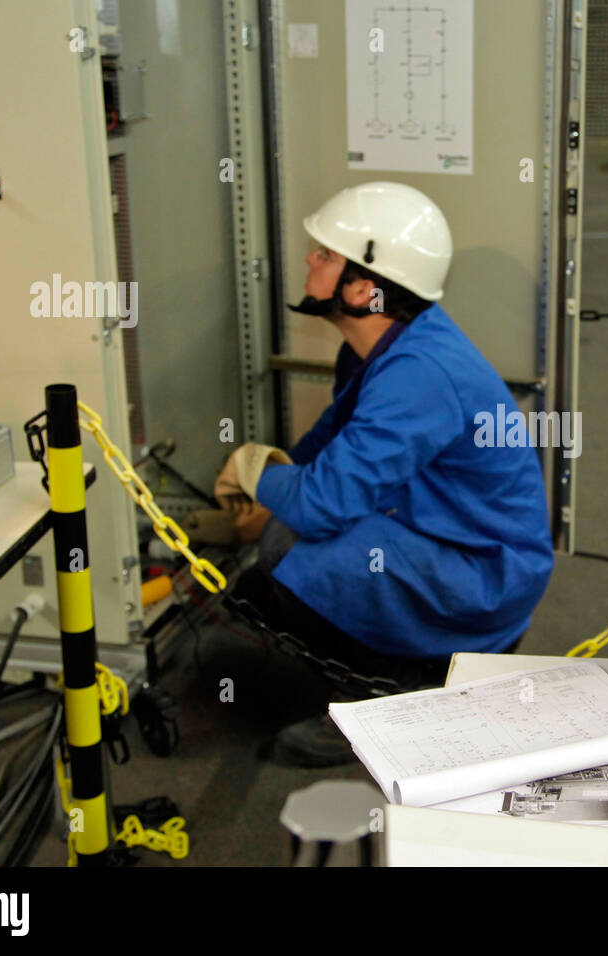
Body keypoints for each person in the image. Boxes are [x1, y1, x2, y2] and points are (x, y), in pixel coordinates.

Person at [216, 182, 554, 766]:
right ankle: (400, 651)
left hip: (484, 581)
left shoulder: (417, 373)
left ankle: (398, 686)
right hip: (452, 541)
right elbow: (328, 443)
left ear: (364, 288)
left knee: (286, 543)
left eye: (324, 255)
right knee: (266, 575)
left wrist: (254, 474)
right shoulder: (382, 345)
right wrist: (277, 478)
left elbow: (320, 504)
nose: (308, 259)